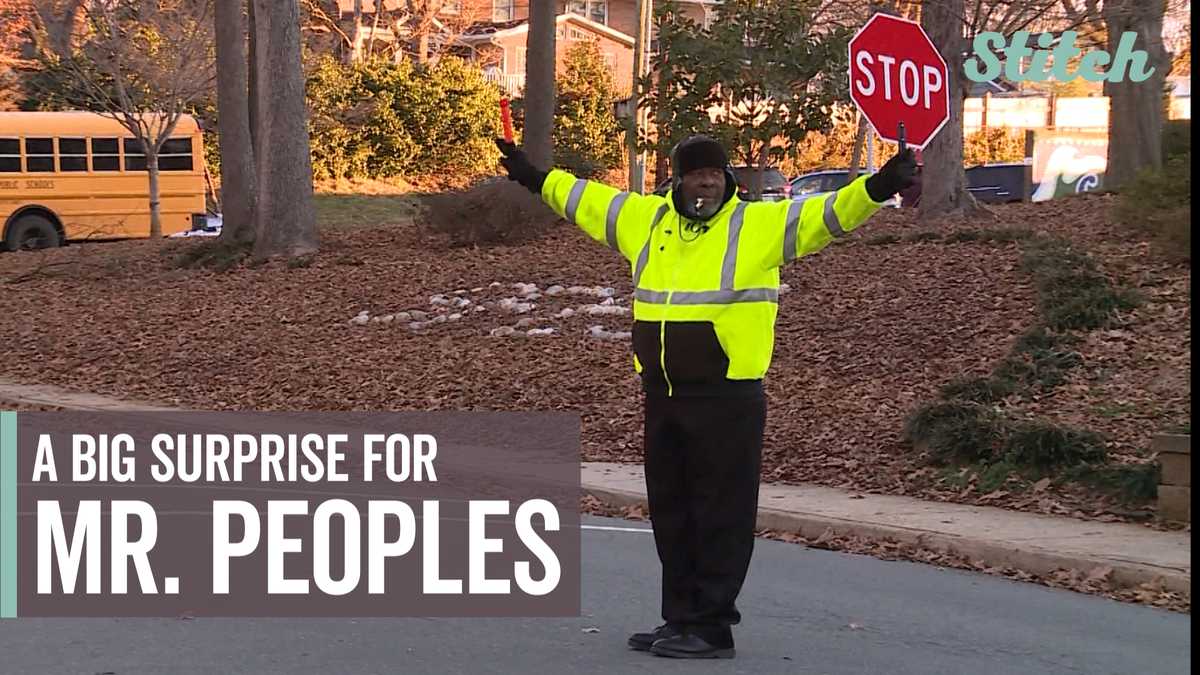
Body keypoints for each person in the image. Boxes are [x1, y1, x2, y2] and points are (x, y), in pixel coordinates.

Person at [496, 135, 916, 659]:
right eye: (695, 173)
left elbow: (828, 214)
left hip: (727, 397)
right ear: (677, 180)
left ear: (729, 180)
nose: (706, 182)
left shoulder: (757, 225)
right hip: (664, 394)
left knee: (721, 514)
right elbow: (584, 198)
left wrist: (878, 186)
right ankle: (681, 618)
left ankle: (713, 626)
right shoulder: (645, 221)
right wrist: (533, 176)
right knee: (673, 512)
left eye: (715, 174)